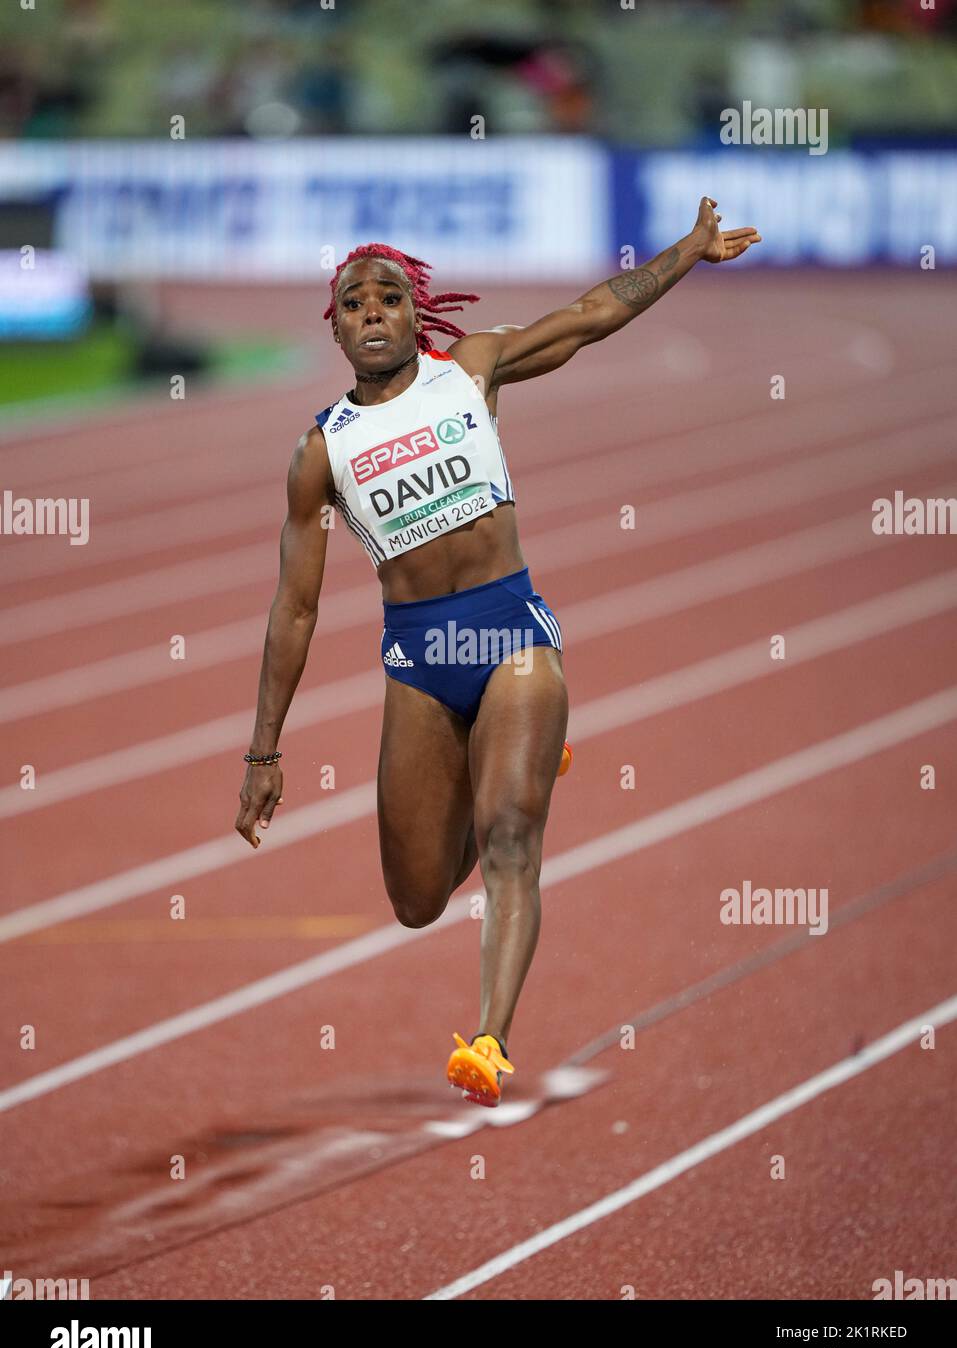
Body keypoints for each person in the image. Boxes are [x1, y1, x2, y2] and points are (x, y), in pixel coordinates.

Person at [235, 196, 761, 1106]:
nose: (372, 311)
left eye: (389, 297)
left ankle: (490, 1037)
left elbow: (594, 316)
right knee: (416, 899)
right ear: (336, 326)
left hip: (509, 631)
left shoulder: (469, 372)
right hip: (416, 660)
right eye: (354, 301)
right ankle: (509, 765)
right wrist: (263, 751)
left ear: (413, 314)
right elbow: (294, 608)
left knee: (514, 838)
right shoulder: (322, 452)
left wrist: (687, 251)